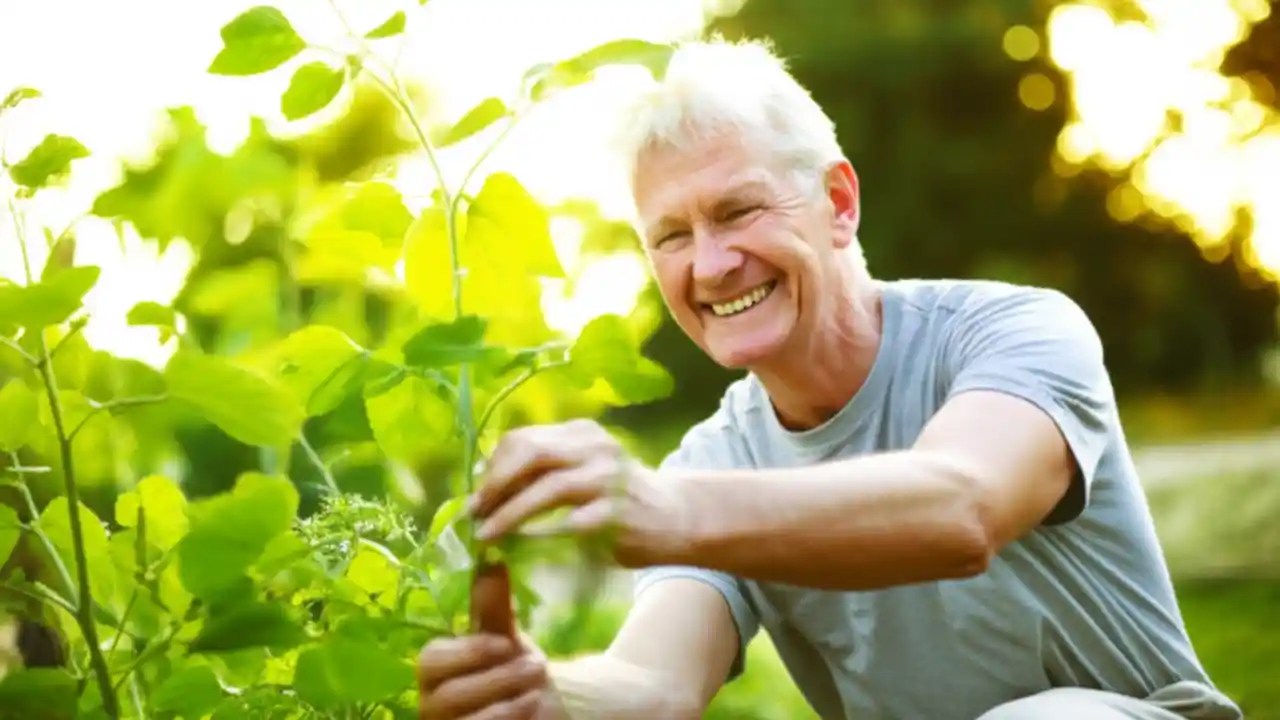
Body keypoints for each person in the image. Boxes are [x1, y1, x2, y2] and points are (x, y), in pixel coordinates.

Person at [415, 38, 1243, 720]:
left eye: (737, 211)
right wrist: (548, 694)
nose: (709, 264)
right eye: (670, 237)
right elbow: (656, 687)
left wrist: (668, 512)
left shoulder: (1015, 332)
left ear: (839, 202)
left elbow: (962, 507)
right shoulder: (718, 461)